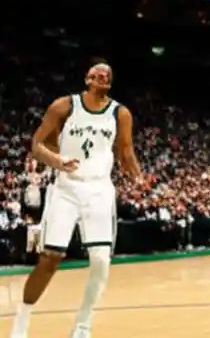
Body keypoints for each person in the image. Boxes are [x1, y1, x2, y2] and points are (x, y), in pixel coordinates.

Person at [11, 62, 143, 338]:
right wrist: (58, 160)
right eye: (97, 71)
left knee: (101, 259)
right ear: (87, 79)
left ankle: (83, 325)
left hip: (99, 191)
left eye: (108, 73)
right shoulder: (64, 105)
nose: (103, 74)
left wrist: (137, 175)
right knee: (50, 258)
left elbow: (126, 151)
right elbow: (36, 145)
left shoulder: (121, 113)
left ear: (110, 82)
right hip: (67, 188)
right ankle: (21, 321)